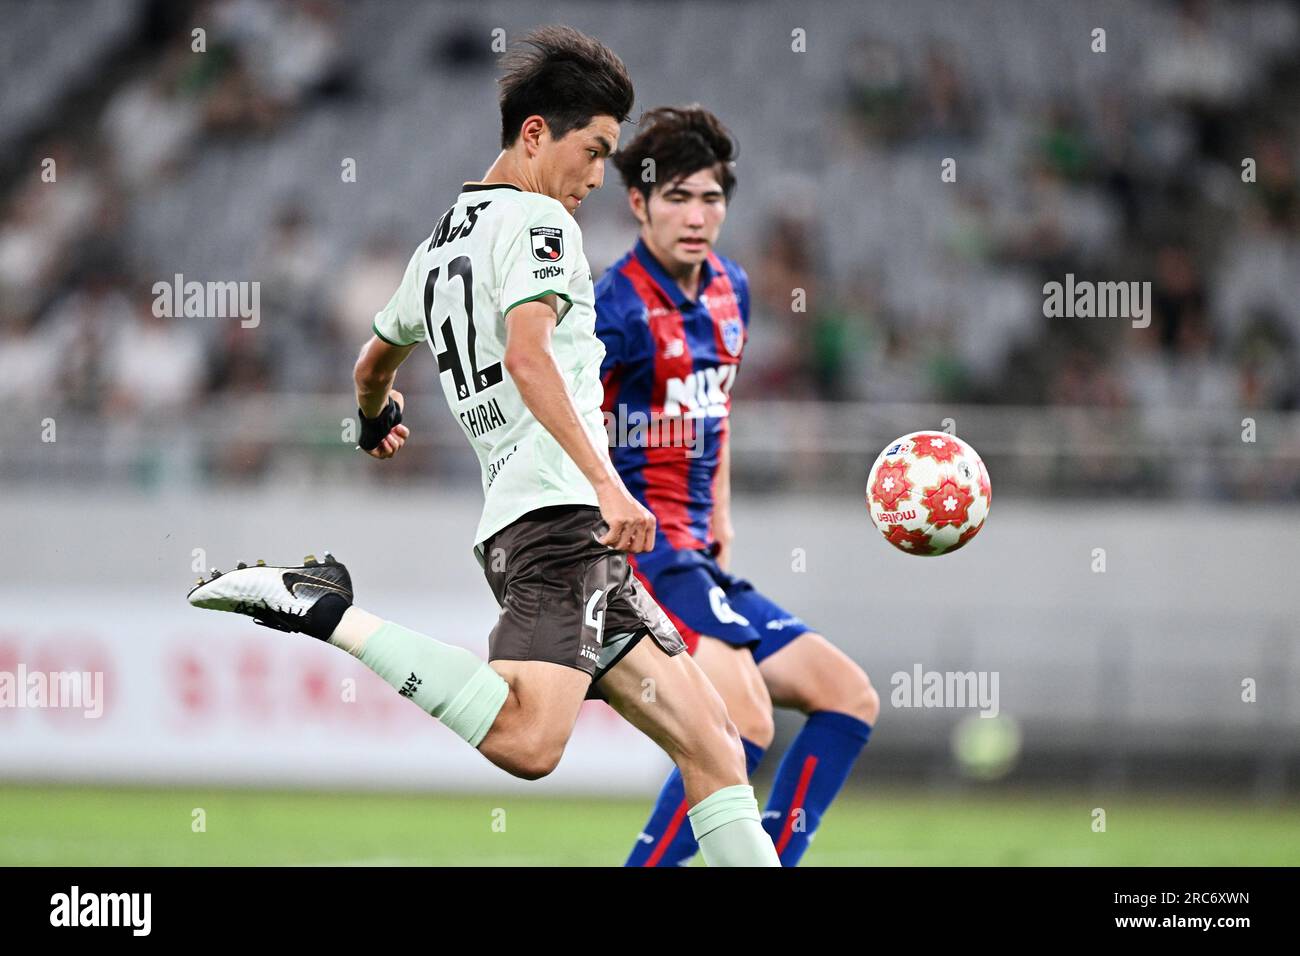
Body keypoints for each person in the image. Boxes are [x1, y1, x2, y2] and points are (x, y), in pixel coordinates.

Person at [188, 29, 778, 867]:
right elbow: (530, 354)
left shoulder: (438, 246)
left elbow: (372, 361)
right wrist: (608, 485)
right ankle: (324, 609)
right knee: (531, 742)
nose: (596, 177)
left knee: (715, 744)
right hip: (559, 517)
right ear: (535, 133)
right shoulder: (540, 225)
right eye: (593, 150)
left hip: (553, 523)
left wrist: (370, 416)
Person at [594, 106, 879, 866]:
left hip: (700, 555)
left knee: (846, 696)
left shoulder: (731, 290)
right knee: (741, 722)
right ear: (639, 204)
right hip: (641, 556)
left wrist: (719, 511)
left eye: (711, 197)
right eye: (677, 197)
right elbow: (565, 433)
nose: (696, 216)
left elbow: (712, 415)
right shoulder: (613, 309)